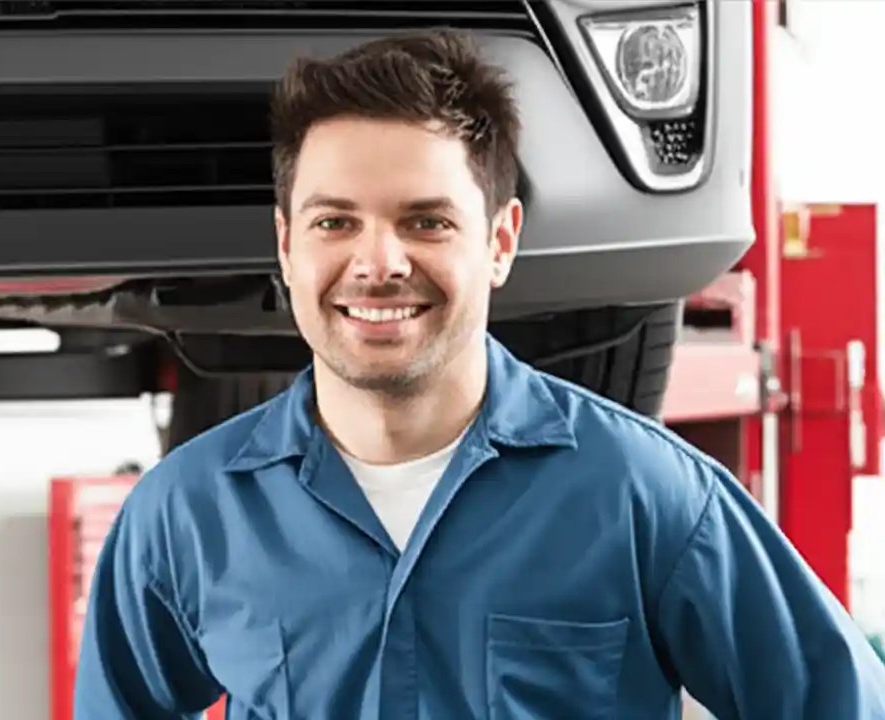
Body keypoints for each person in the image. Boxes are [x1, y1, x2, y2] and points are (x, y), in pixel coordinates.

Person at [72, 28, 885, 719]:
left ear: (500, 241)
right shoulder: (184, 517)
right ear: (287, 245)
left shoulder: (646, 498)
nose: (378, 263)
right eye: (335, 222)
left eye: (426, 221)